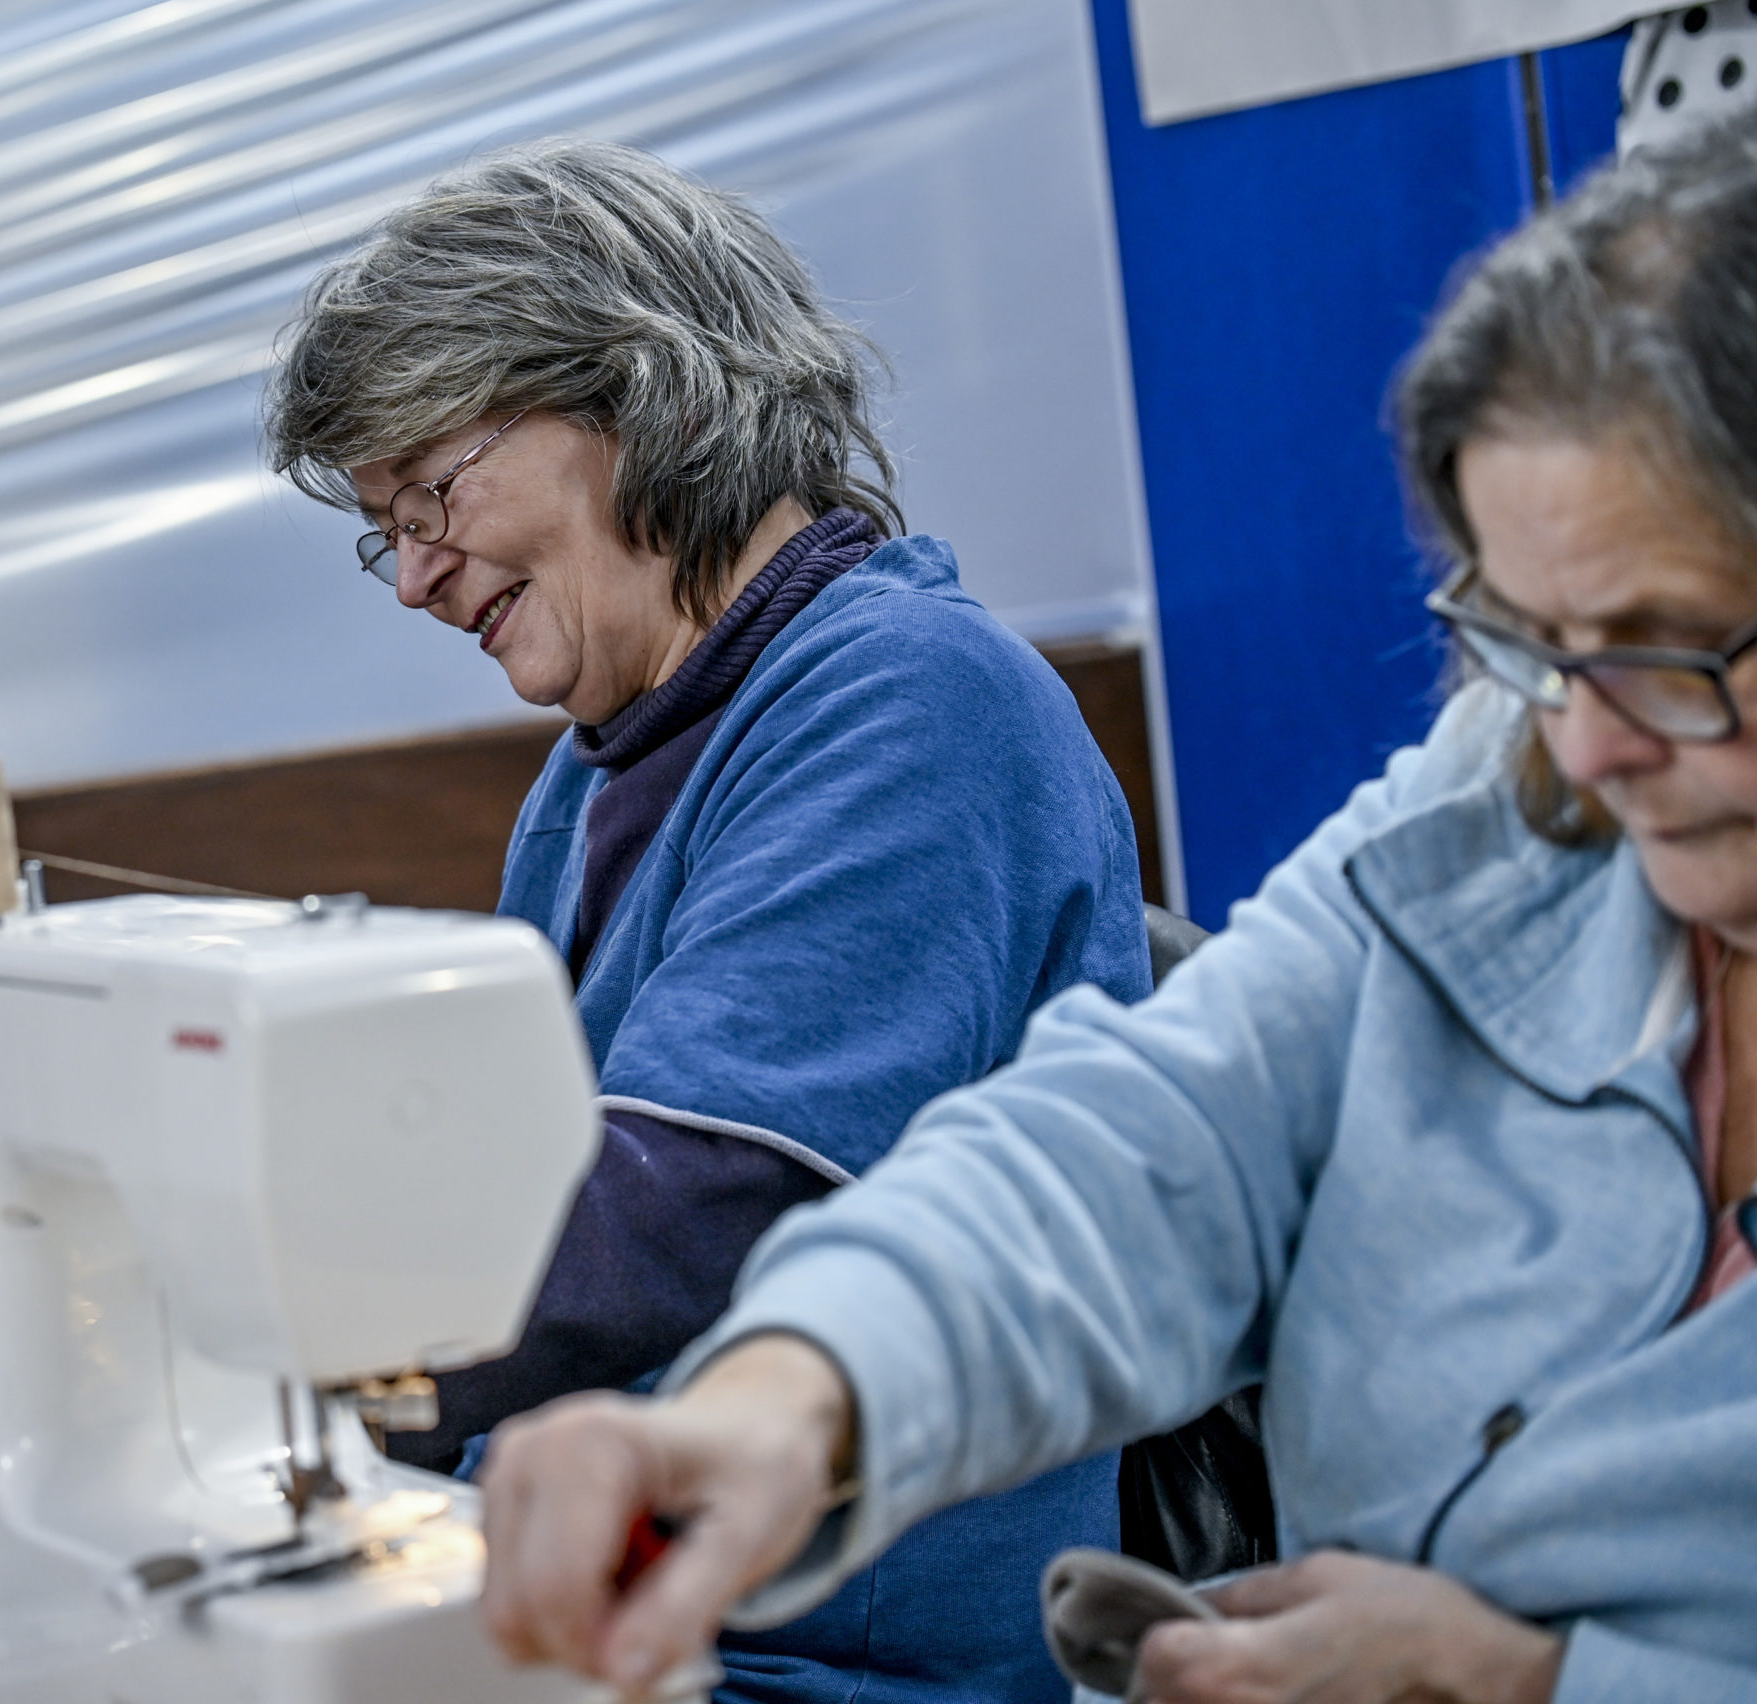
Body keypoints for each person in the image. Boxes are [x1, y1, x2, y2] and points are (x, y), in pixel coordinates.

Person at [474, 119, 1757, 1704]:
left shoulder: (899, 697)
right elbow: (1140, 1148)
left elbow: (691, 1184)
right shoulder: (1501, 799)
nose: (1591, 737)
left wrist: (1549, 1685)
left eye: (1671, 649)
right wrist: (791, 1397)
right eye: (1534, 644)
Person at [255, 140, 1149, 1704]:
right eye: (382, 527)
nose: (407, 578)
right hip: (632, 1617)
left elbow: (671, 1209)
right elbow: (501, 1181)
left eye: (434, 493)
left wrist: (210, 1366)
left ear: (638, 397)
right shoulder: (597, 768)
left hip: (827, 1661)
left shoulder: (916, 702)